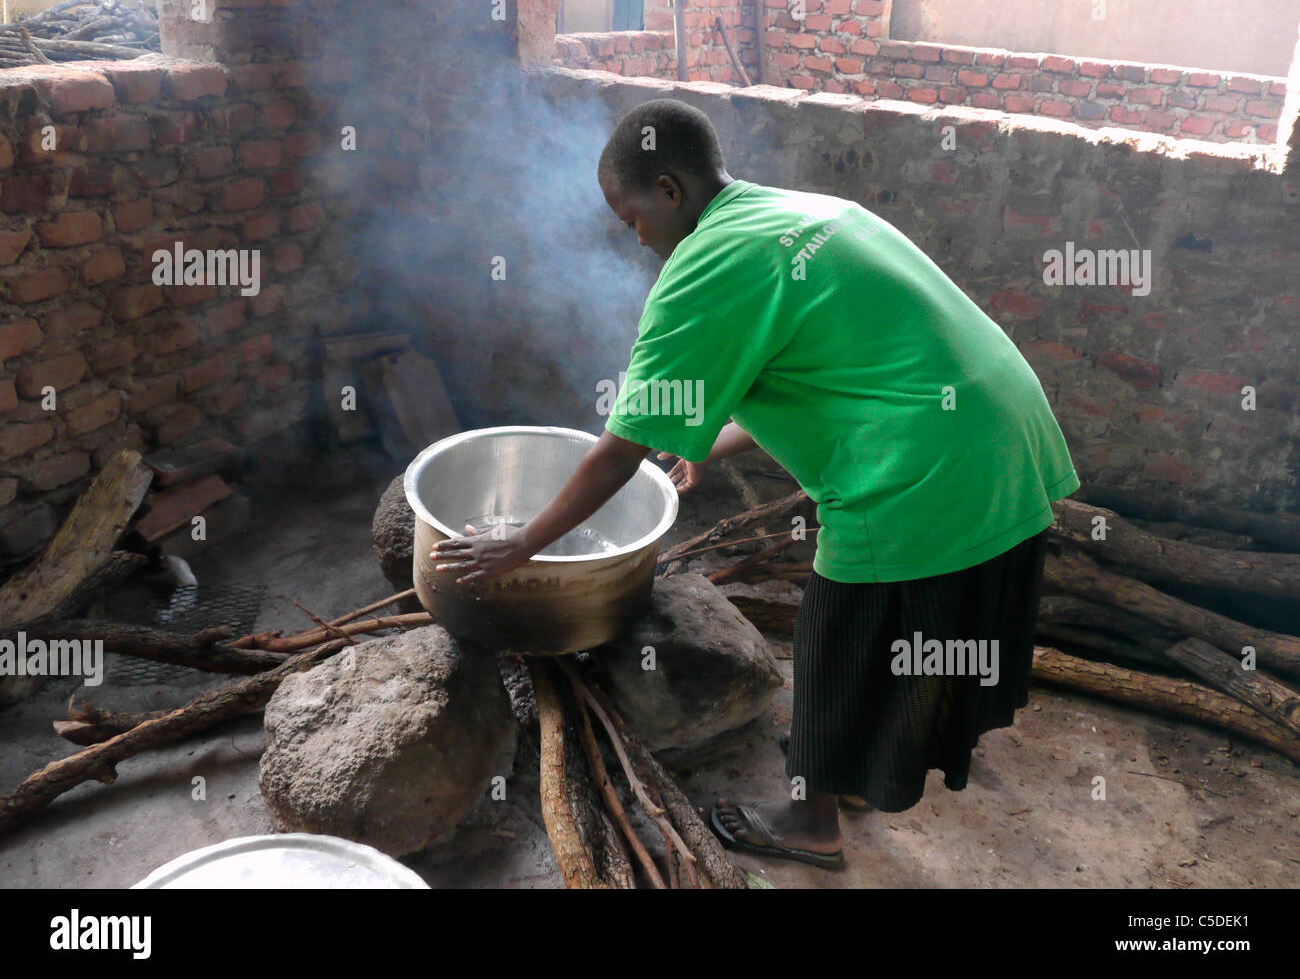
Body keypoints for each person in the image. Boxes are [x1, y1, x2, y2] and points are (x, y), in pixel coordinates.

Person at [429, 98, 1079, 870]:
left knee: (838, 638)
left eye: (631, 216)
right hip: (1003, 428)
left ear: (668, 190)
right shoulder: (792, 210)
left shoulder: (706, 264)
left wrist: (525, 543)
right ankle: (860, 762)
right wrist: (711, 443)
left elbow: (619, 449)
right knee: (892, 639)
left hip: (927, 465)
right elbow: (817, 362)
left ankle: (809, 820)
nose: (634, 237)